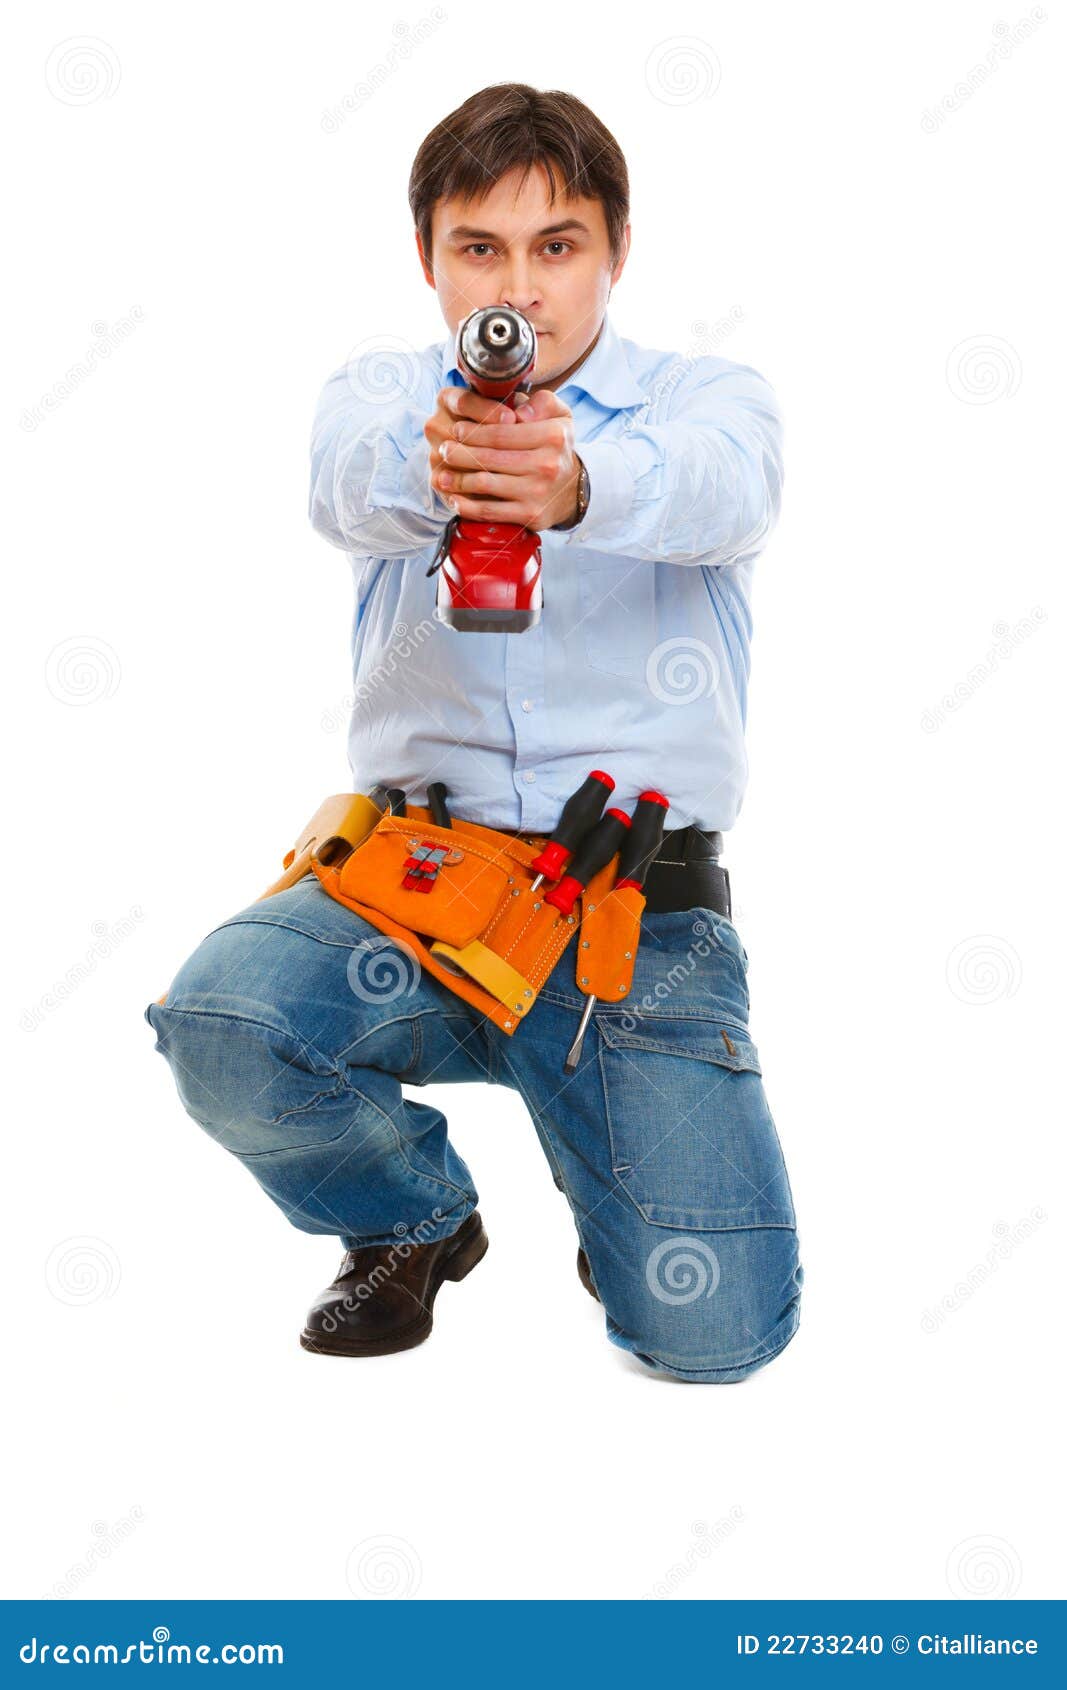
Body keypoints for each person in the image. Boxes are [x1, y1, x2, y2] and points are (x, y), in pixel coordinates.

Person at [144, 82, 802, 1382]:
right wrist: (446, 462)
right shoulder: (388, 398)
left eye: (557, 246)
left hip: (632, 917)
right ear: (429, 260)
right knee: (223, 1018)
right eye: (480, 248)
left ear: (616, 248)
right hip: (415, 902)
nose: (524, 286)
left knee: (712, 1332)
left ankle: (615, 1170)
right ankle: (410, 1215)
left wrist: (576, 481)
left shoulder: (707, 399)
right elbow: (346, 485)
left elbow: (726, 492)